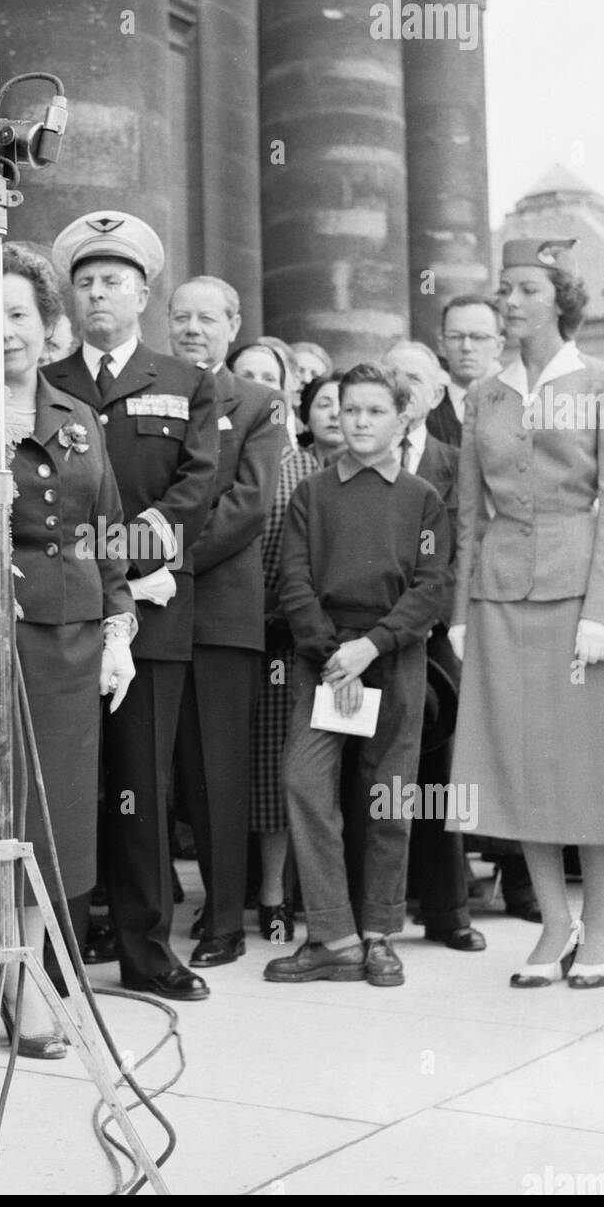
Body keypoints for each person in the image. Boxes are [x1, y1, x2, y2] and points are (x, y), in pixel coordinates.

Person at [0, 243, 134, 1054]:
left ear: (49, 329)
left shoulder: (76, 420)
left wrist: (118, 630)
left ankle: (31, 970)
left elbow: (105, 529)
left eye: (18, 315)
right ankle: (5, 976)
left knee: (56, 818)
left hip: (69, 648)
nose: (2, 331)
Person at [447, 237, 604, 991]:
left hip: (578, 597)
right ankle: (554, 923)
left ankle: (597, 925)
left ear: (561, 299)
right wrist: (461, 608)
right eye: (506, 288)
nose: (510, 300)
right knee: (518, 762)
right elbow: (469, 510)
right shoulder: (485, 395)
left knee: (586, 763)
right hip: (499, 597)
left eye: (527, 288)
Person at [44, 211, 219, 1001]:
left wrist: (139, 560)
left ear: (144, 293)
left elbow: (196, 484)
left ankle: (149, 953)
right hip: (68, 614)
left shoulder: (185, 382)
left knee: (143, 788)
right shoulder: (46, 382)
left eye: (113, 281)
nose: (97, 296)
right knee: (70, 783)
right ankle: (60, 953)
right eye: (84, 283)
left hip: (155, 614)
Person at [266, 364, 451, 988]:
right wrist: (329, 653)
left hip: (392, 656)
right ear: (335, 417)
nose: (362, 421)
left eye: (376, 411)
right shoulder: (311, 495)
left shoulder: (421, 499)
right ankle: (333, 936)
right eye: (350, 410)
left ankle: (379, 935)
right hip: (325, 659)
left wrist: (372, 647)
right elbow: (293, 579)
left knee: (388, 796)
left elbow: (430, 587)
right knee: (304, 781)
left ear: (403, 420)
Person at [168, 276, 283, 967]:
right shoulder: (157, 392)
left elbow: (247, 507)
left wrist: (168, 562)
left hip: (219, 615)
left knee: (219, 772)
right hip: (152, 612)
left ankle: (225, 920)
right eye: (180, 316)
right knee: (164, 773)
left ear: (234, 324)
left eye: (207, 318)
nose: (191, 328)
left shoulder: (261, 405)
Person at [383, 342, 485, 953]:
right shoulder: (355, 457)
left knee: (436, 774)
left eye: (415, 377)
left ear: (439, 394)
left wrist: (425, 615)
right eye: (392, 374)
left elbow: (464, 547)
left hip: (435, 633)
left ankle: (447, 911)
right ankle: (376, 911)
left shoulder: (455, 461)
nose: (402, 386)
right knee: (372, 772)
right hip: (369, 637)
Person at [248, 375, 347, 939]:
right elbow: (270, 562)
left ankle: (333, 898)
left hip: (360, 646)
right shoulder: (288, 472)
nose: (337, 414)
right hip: (288, 643)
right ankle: (273, 896)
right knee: (279, 773)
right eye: (325, 404)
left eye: (348, 404)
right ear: (305, 415)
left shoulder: (378, 476)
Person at [427, 295, 505, 447]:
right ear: (442, 345)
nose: (467, 347)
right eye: (456, 337)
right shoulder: (427, 407)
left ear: (498, 346)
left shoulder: (518, 405)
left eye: (478, 337)